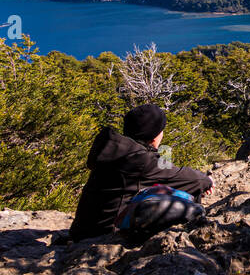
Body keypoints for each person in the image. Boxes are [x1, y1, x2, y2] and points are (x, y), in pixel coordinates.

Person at [68, 103, 214, 242]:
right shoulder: (141, 160)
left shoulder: (115, 150)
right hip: (104, 235)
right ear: (155, 135)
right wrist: (207, 182)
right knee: (191, 207)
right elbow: (195, 180)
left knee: (163, 190)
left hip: (80, 232)